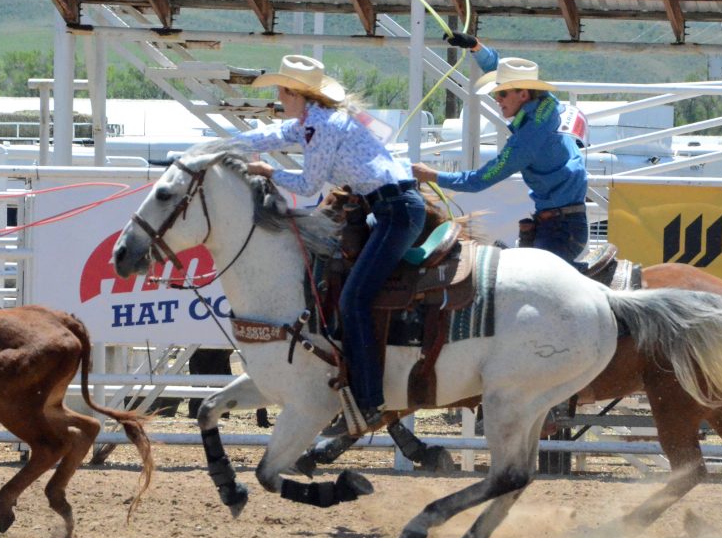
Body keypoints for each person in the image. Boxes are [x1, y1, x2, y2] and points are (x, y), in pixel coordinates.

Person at [237, 54, 425, 436]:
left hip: (394, 211)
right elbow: (269, 136)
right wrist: (216, 149)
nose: (278, 96)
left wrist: (268, 171)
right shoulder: (314, 123)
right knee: (345, 288)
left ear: (295, 93)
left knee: (353, 299)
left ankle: (369, 401)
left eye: (281, 90)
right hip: (389, 207)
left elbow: (307, 186)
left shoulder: (321, 126)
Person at [413, 33, 589, 264]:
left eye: (502, 93)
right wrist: (476, 48)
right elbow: (502, 71)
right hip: (563, 223)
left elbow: (479, 179)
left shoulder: (527, 139)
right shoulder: (547, 103)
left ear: (523, 94)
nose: (497, 98)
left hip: (559, 229)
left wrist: (432, 175)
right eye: (497, 92)